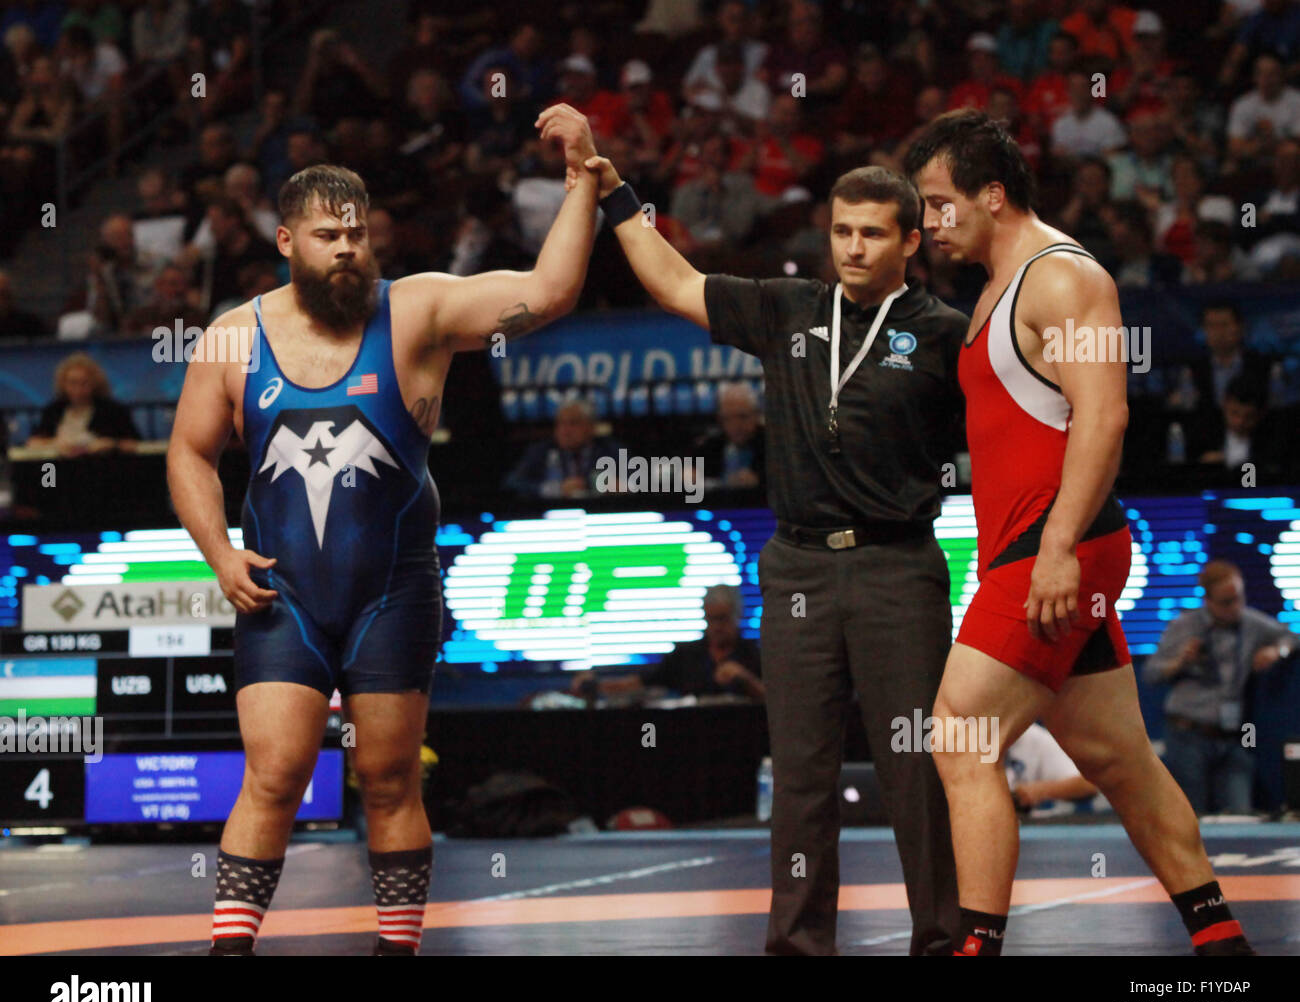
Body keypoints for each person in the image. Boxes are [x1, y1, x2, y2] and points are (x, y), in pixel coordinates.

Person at [166, 105, 600, 956]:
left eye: (358, 234)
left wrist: (585, 174)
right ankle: (227, 950)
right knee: (276, 771)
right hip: (281, 592)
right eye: (328, 235)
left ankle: (396, 949)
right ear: (286, 243)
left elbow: (549, 294)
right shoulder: (232, 335)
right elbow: (188, 452)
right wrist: (218, 553)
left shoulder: (421, 312)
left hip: (392, 591)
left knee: (391, 775)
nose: (348, 249)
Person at [581, 149, 966, 956]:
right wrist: (614, 192)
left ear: (909, 243)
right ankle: (795, 944)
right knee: (799, 773)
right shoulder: (790, 308)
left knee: (917, 772)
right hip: (796, 567)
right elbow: (675, 283)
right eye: (841, 231)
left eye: (871, 233)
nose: (853, 247)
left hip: (897, 566)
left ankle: (941, 940)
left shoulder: (944, 336)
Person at [905, 108, 1255, 956]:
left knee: (959, 733)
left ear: (993, 195)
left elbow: (1104, 417)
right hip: (1041, 547)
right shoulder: (996, 284)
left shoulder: (1061, 277)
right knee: (1120, 758)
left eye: (940, 203)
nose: (930, 223)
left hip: (1056, 548)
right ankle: (1224, 947)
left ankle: (976, 945)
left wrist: (1059, 547)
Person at [1144, 560, 1297, 814]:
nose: (1235, 607)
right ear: (1208, 600)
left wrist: (1277, 650)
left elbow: (1292, 636)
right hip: (1188, 735)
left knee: (1240, 816)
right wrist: (1181, 661)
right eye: (1226, 602)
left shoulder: (1251, 623)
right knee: (1190, 816)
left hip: (1234, 736)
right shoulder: (1184, 626)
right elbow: (1151, 674)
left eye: (1239, 598)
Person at [570, 585, 763, 702]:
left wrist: (746, 680)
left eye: (722, 619)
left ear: (737, 615)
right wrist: (594, 685)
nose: (716, 627)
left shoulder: (756, 655)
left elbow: (780, 702)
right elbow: (638, 683)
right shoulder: (686, 655)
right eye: (710, 619)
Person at [502, 398, 622, 499]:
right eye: (561, 424)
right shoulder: (542, 450)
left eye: (573, 423)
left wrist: (622, 486)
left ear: (591, 427)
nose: (565, 431)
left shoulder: (610, 449)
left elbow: (636, 482)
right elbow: (513, 483)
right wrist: (556, 489)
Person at [27, 351, 140, 454]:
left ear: (95, 383)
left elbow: (133, 443)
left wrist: (112, 444)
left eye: (84, 383)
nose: (78, 389)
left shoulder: (113, 410)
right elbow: (34, 442)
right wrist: (56, 444)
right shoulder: (53, 410)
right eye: (72, 383)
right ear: (63, 384)